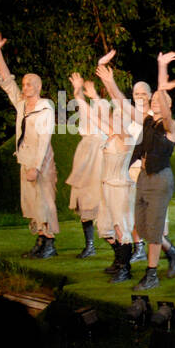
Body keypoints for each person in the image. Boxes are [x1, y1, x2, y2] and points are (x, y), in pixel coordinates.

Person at [0, 31, 57, 258]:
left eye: (29, 84)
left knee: (44, 200)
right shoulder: (22, 104)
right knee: (31, 201)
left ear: (37, 87)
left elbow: (44, 140)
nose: (24, 87)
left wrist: (36, 166)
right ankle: (41, 239)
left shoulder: (45, 107)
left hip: (41, 160)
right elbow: (7, 81)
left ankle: (49, 242)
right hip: (26, 157)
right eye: (24, 84)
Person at [126, 52, 175, 291]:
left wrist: (162, 68)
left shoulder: (170, 126)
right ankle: (174, 252)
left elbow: (162, 101)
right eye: (154, 101)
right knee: (142, 226)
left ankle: (151, 274)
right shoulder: (148, 121)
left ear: (168, 106)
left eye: (159, 101)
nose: (154, 103)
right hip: (144, 177)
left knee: (153, 229)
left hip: (161, 179)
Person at [93, 58, 143, 282]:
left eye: (118, 115)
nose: (113, 117)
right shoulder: (112, 134)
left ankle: (125, 266)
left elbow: (121, 105)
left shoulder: (127, 137)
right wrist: (89, 94)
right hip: (106, 186)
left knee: (120, 226)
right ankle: (119, 260)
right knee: (105, 227)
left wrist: (111, 84)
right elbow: (95, 114)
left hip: (120, 187)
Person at [64, 71, 107, 259]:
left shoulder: (104, 107)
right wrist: (77, 89)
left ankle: (127, 246)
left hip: (98, 156)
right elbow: (82, 106)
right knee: (82, 198)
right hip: (84, 154)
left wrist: (91, 96)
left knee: (100, 199)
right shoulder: (88, 108)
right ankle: (89, 245)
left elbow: (98, 113)